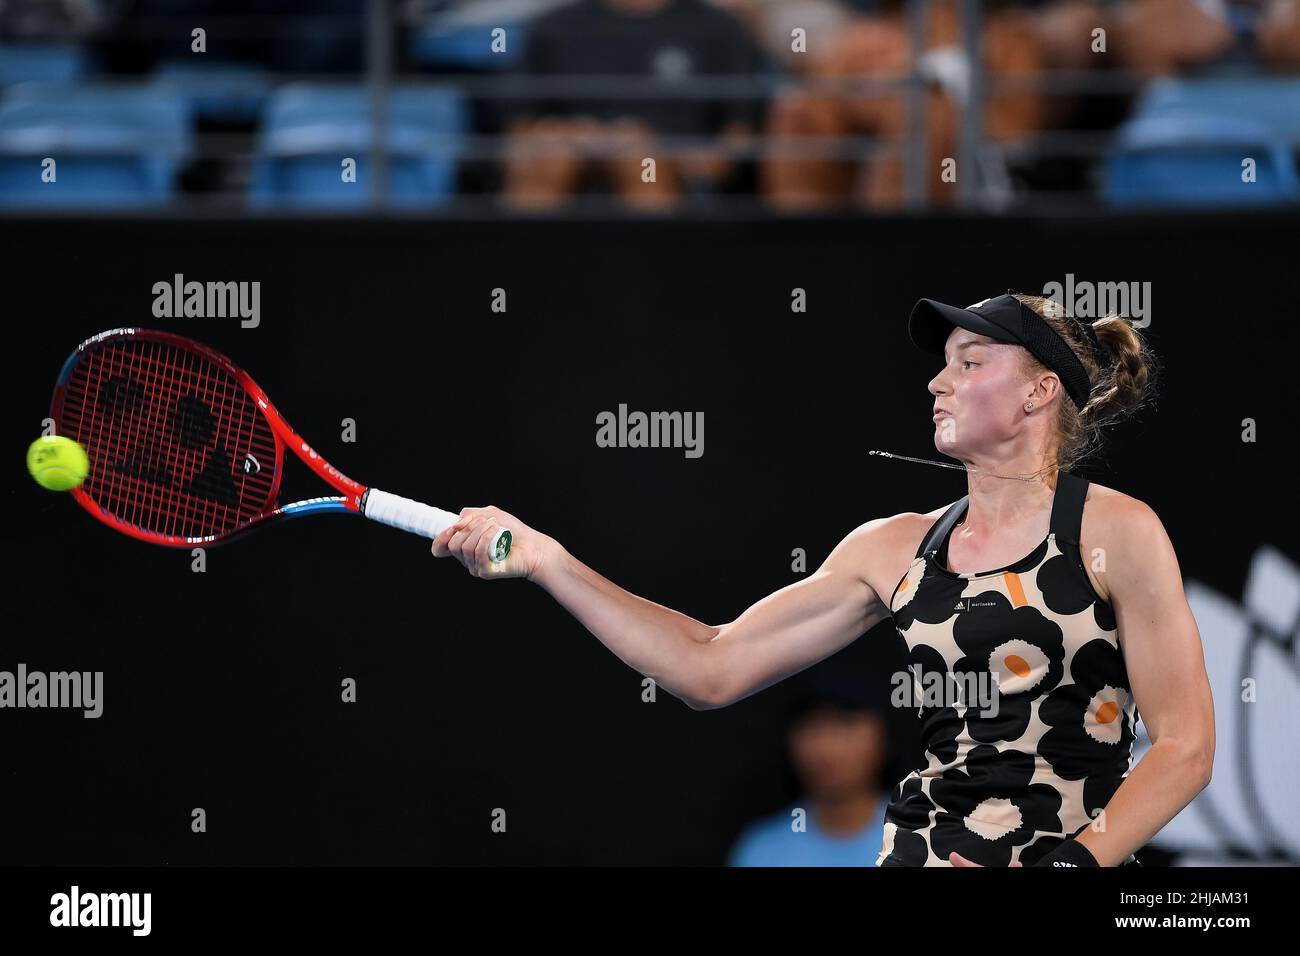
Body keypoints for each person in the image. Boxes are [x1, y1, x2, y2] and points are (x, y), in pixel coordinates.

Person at [432, 290, 1215, 867]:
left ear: (1041, 391)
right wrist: (548, 561)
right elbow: (710, 664)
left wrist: (1065, 868)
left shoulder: (1118, 530)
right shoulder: (892, 549)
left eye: (969, 363)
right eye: (940, 366)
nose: (937, 383)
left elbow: (1184, 747)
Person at [728, 674, 890, 866]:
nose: (827, 747)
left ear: (884, 734)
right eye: (813, 725)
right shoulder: (763, 850)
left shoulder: (927, 835)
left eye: (846, 722)